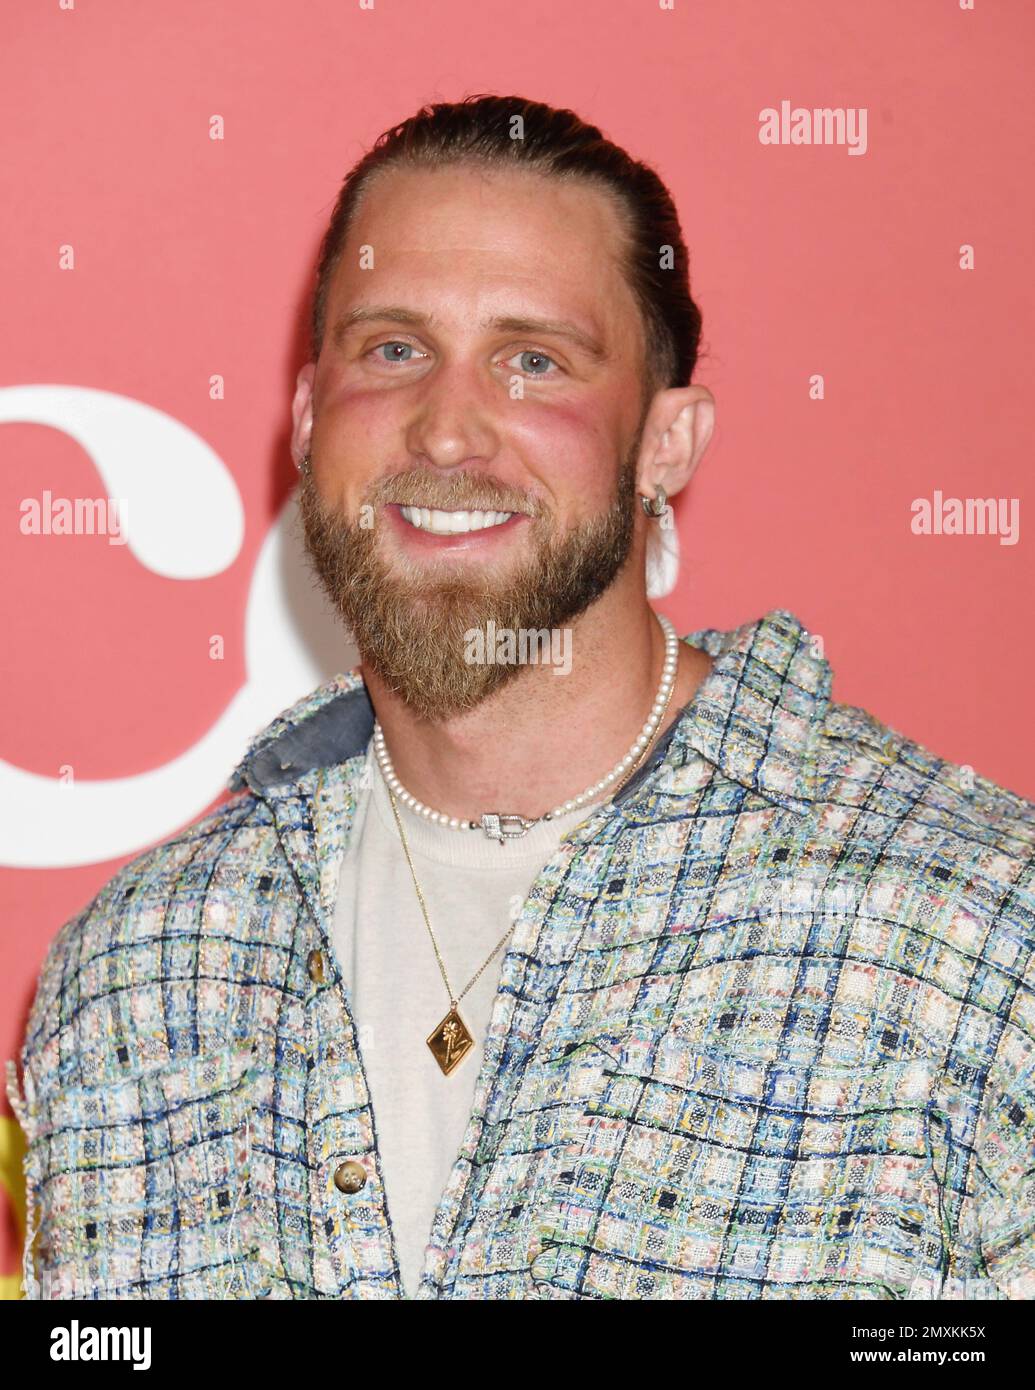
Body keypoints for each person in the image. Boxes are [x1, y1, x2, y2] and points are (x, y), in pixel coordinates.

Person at [11, 94, 1034, 1302]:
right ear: (303, 419)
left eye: (533, 361)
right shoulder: (138, 971)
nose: (447, 432)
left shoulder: (976, 939)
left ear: (666, 445)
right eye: (393, 349)